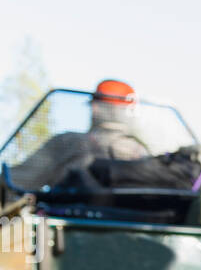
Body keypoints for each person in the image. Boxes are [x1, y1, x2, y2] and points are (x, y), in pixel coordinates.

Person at [7, 79, 151, 191]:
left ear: (95, 107)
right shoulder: (144, 154)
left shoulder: (71, 142)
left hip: (69, 226)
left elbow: (18, 180)